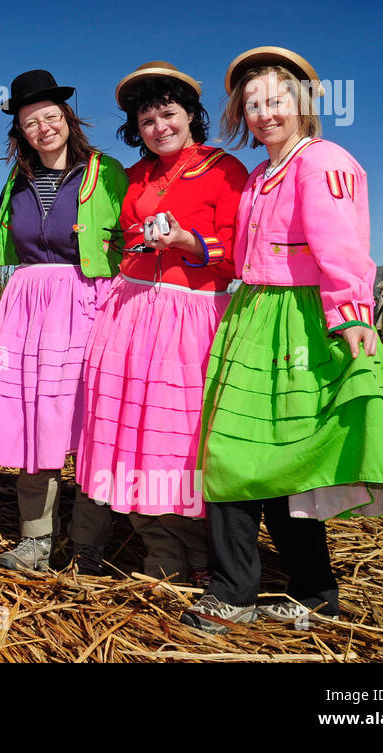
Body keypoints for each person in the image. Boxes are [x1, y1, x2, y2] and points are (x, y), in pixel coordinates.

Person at [181, 47, 383, 634]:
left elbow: (341, 246)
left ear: (303, 104)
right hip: (253, 313)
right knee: (232, 451)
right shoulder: (261, 175)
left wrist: (352, 313)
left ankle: (311, 591)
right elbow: (239, 254)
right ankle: (236, 587)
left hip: (303, 318)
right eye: (253, 104)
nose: (265, 113)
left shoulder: (323, 162)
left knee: (285, 459)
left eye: (276, 100)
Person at [76, 62, 248, 583]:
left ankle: (188, 556)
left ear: (190, 115)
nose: (159, 128)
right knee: (125, 427)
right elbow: (120, 236)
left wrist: (186, 243)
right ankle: (134, 542)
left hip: (187, 315)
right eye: (146, 120)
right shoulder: (134, 177)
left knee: (174, 436)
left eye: (168, 114)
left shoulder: (224, 170)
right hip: (129, 313)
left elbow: (236, 253)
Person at [0, 69, 127, 572]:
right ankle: (36, 539)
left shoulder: (106, 171)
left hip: (88, 297)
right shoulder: (14, 182)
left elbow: (130, 236)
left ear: (66, 117)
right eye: (30, 122)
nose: (43, 128)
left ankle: (88, 543)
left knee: (92, 421)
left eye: (50, 117)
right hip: (28, 301)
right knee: (34, 421)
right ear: (19, 131)